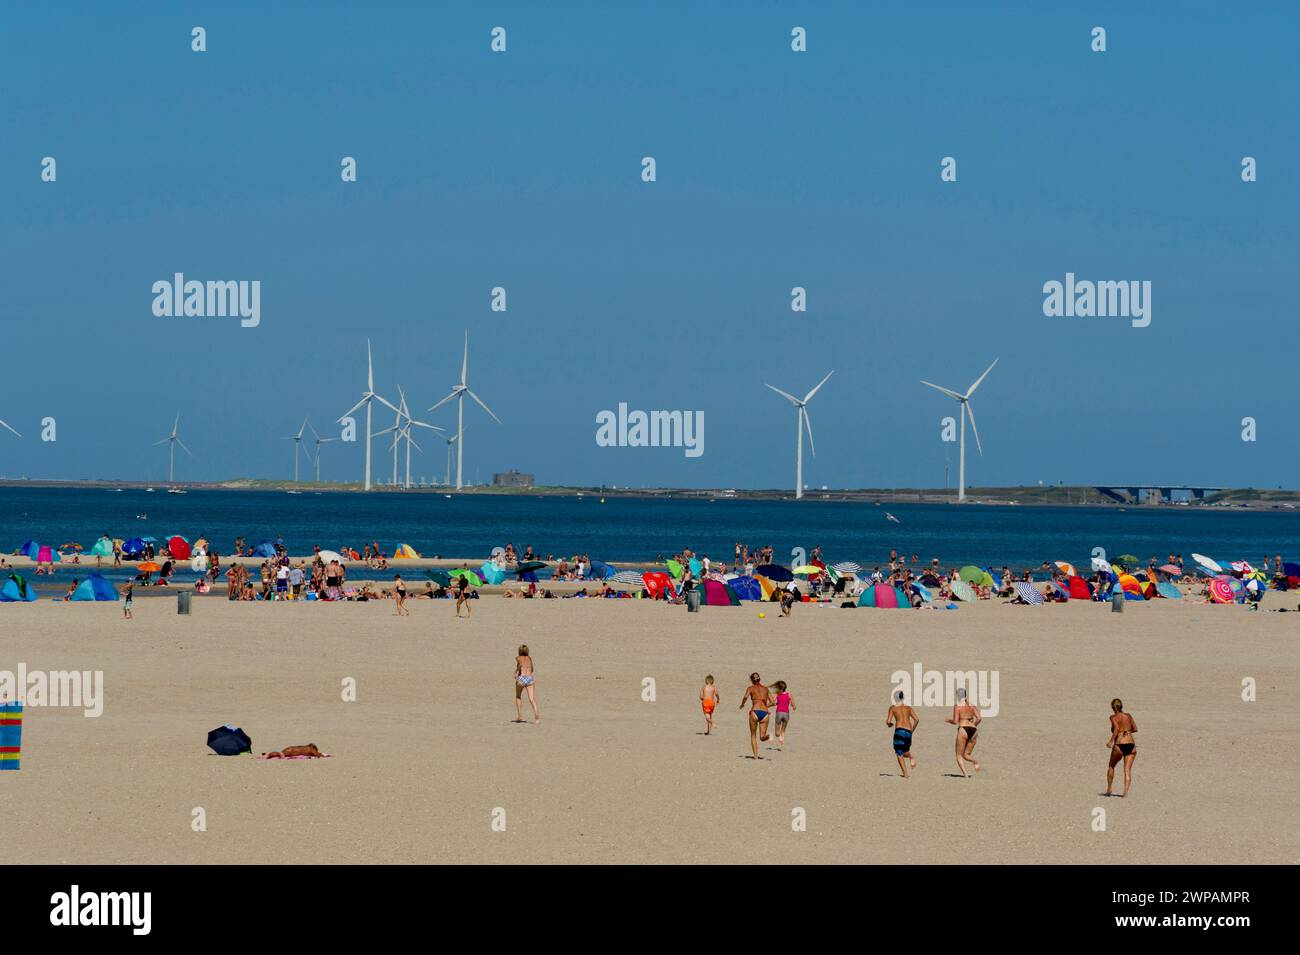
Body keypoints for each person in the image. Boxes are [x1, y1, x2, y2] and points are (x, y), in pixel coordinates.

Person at [1105, 698, 1138, 797]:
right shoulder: (1128, 716)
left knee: (1111, 766)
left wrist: (1111, 741)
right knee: (1127, 770)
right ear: (1121, 706)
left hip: (1119, 744)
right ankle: (1125, 793)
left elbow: (1117, 729)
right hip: (1131, 744)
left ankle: (1109, 789)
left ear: (1112, 707)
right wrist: (1127, 731)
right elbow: (1135, 729)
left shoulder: (1113, 717)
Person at [946, 687, 981, 777]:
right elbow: (979, 718)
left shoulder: (957, 706)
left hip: (963, 729)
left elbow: (955, 721)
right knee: (966, 754)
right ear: (965, 695)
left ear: (957, 695)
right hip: (973, 730)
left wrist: (948, 720)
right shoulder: (972, 705)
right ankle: (975, 761)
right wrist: (974, 725)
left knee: (959, 755)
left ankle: (965, 774)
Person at [886, 690, 919, 778]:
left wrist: (890, 724)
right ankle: (910, 756)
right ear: (902, 697)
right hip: (908, 731)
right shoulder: (908, 708)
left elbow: (888, 721)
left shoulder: (893, 708)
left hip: (899, 730)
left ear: (894, 698)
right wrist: (912, 730)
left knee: (899, 753)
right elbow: (917, 719)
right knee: (904, 751)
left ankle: (906, 774)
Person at [740, 672, 773, 759]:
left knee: (753, 735)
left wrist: (742, 704)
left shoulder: (750, 688)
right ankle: (768, 735)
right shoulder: (766, 689)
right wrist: (766, 706)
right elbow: (773, 702)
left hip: (754, 711)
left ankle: (755, 756)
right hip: (765, 713)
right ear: (759, 678)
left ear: (751, 680)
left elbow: (745, 697)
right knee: (762, 737)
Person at [514, 645, 540, 723]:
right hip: (529, 678)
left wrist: (515, 672)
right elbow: (532, 669)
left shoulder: (518, 658)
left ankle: (520, 716)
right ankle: (537, 718)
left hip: (522, 678)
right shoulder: (529, 658)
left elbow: (520, 665)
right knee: (532, 699)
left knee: (518, 696)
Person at [772, 680, 795, 748]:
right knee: (783, 730)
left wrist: (768, 705)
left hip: (779, 713)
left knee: (777, 733)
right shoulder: (789, 695)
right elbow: (793, 705)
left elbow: (772, 702)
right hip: (786, 714)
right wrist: (793, 707)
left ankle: (778, 736)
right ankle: (781, 744)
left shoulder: (777, 695)